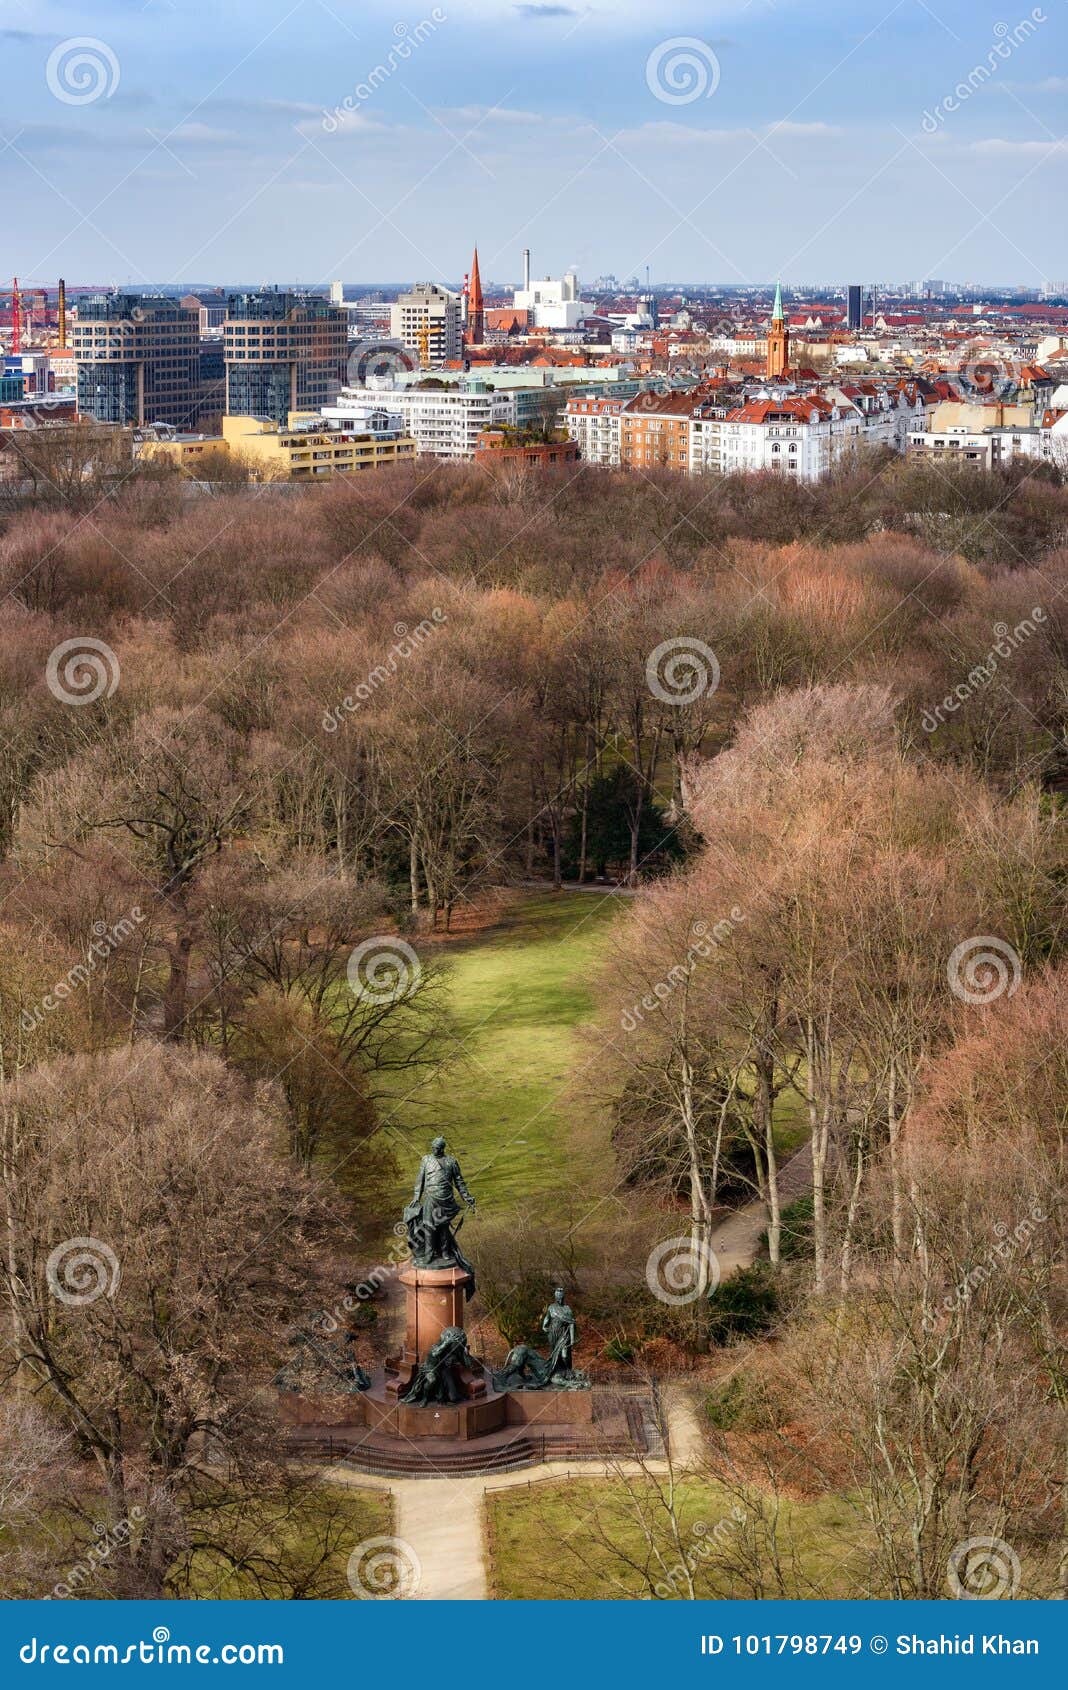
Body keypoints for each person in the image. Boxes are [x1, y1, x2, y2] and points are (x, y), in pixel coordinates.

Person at [403, 1136, 477, 1296]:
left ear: (442, 1148)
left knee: (443, 1227)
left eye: (437, 1148)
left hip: (446, 1199)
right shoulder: (426, 1160)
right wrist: (417, 1196)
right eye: (433, 1147)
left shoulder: (451, 1161)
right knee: (429, 1226)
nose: (434, 1150)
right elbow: (420, 1179)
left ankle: (444, 1253)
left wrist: (467, 1197)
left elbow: (459, 1182)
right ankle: (429, 1254)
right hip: (431, 1198)